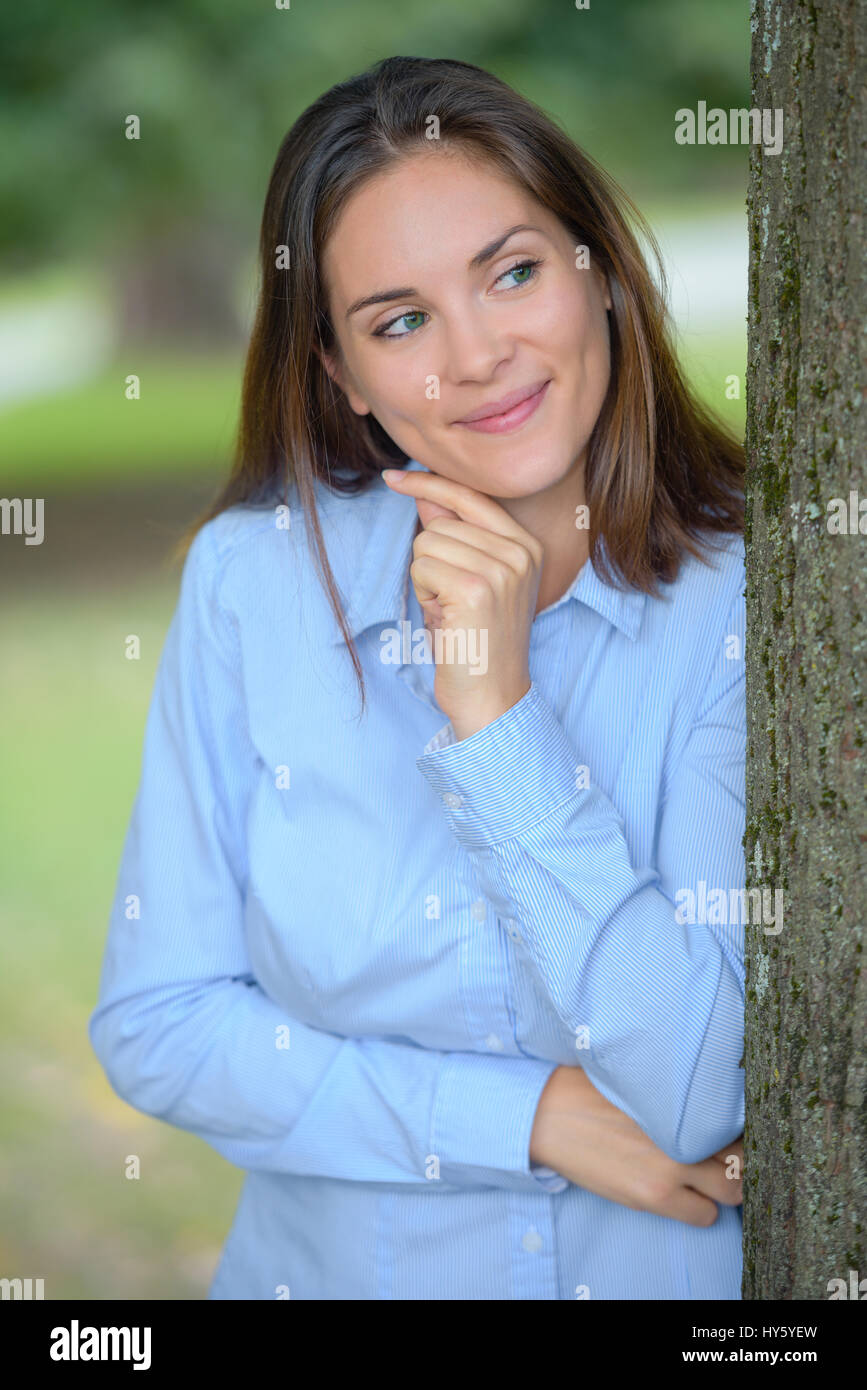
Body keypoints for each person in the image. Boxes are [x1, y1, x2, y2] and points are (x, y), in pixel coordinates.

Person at [89, 55, 748, 1300]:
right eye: (400, 320)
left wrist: (497, 717)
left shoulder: (742, 609)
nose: (478, 355)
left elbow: (698, 1084)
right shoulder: (254, 585)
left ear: (599, 272)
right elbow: (160, 1020)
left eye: (512, 272)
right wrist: (525, 1116)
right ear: (341, 375)